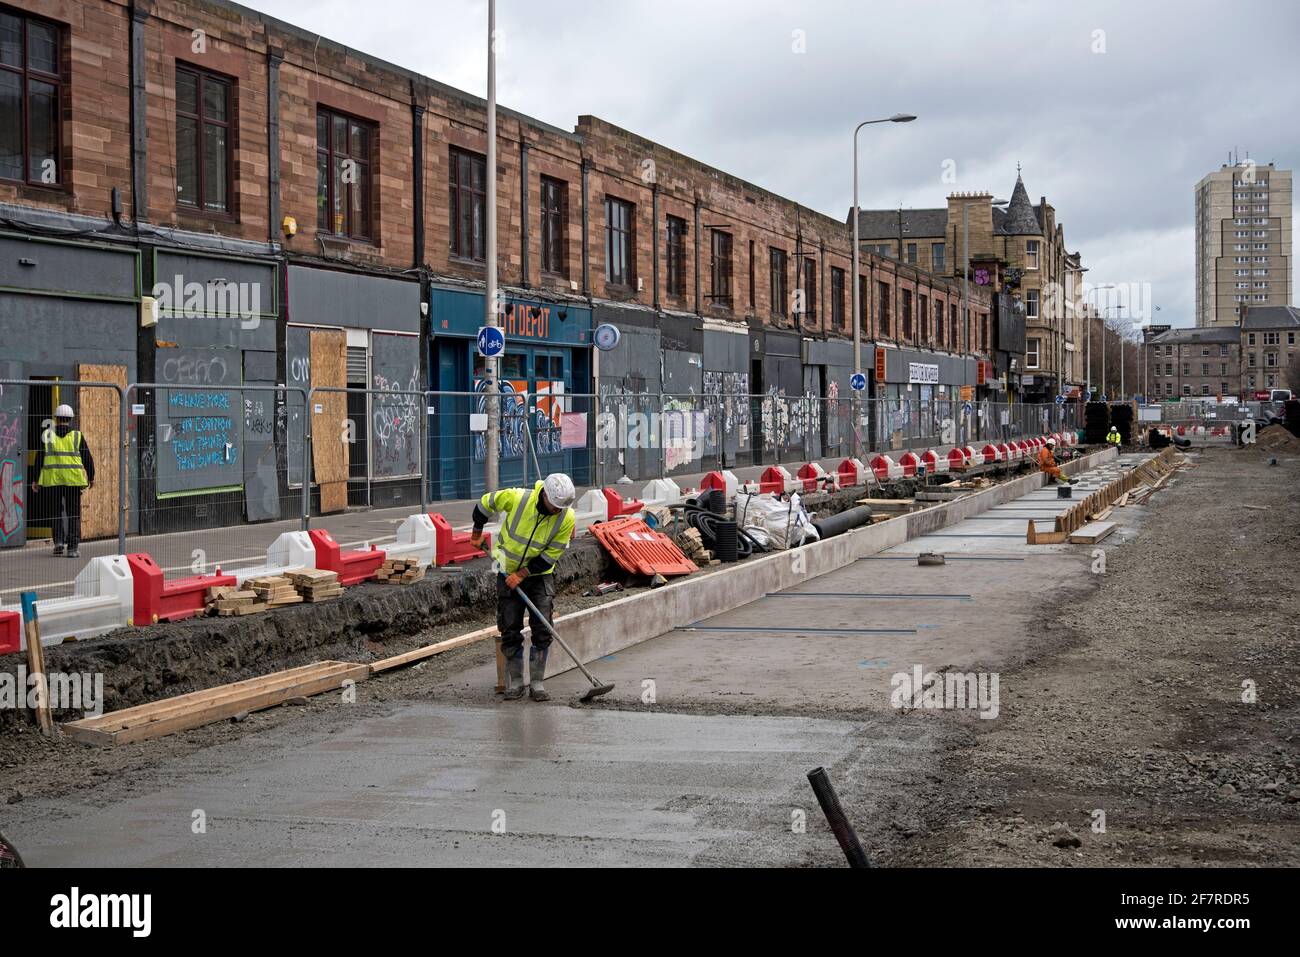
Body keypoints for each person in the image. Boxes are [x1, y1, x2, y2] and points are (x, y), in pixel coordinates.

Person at [470, 473, 577, 701]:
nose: (557, 510)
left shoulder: (566, 517)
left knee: (543, 626)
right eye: (555, 505)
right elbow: (485, 503)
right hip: (506, 568)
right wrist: (477, 531)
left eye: (562, 507)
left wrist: (522, 575)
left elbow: (550, 556)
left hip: (539, 575)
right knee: (509, 626)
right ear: (544, 495)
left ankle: (537, 682)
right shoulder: (517, 498)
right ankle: (516, 681)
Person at [31, 404, 94, 558]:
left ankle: (59, 542)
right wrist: (91, 476)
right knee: (73, 514)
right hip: (72, 481)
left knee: (55, 512)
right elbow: (87, 457)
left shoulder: (47, 435)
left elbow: (39, 458)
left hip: (52, 481)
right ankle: (72, 548)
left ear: (56, 418)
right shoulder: (77, 436)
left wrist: (35, 479)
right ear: (70, 419)